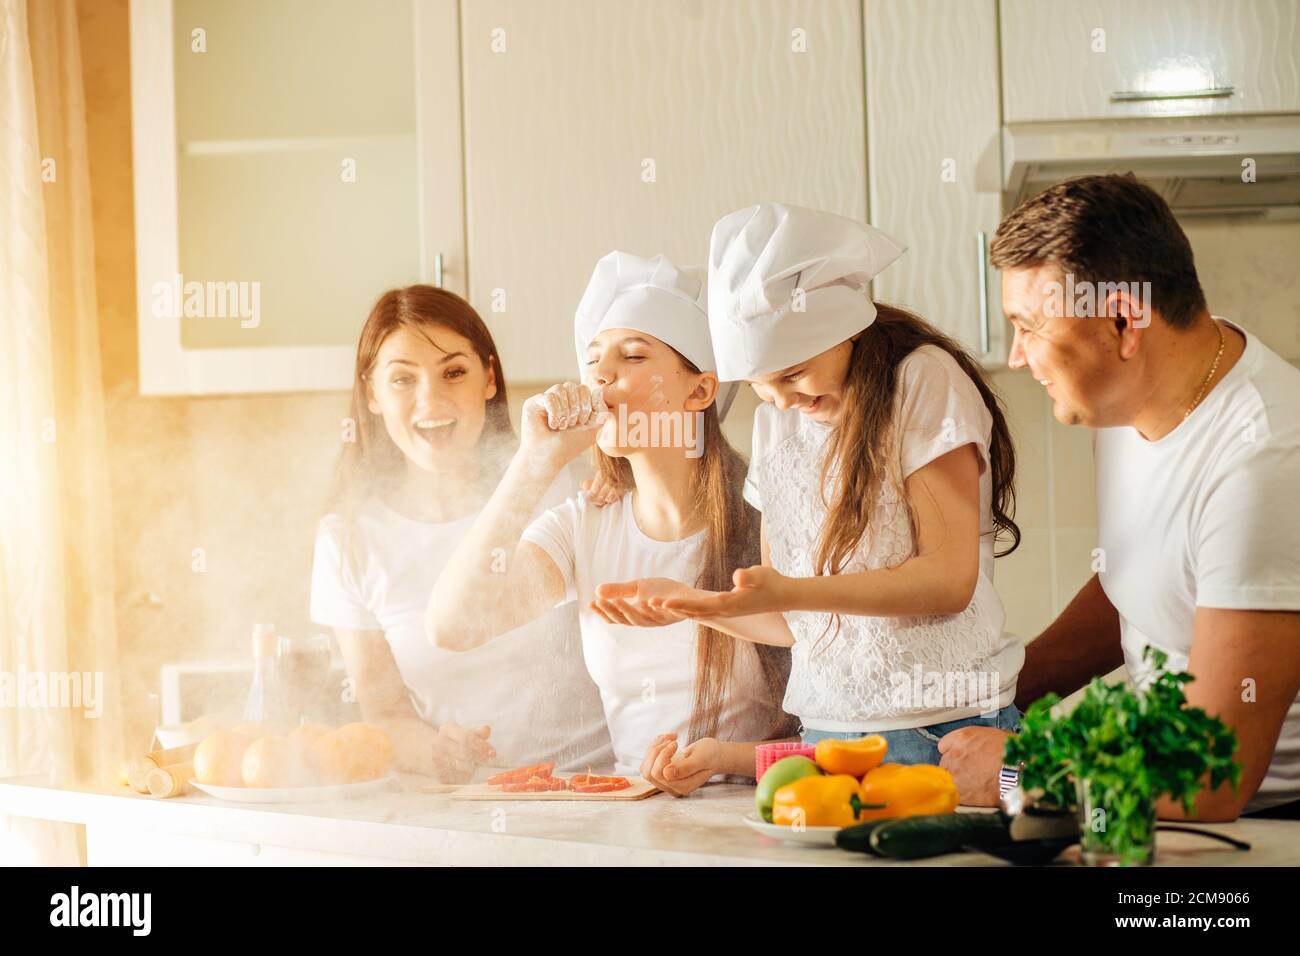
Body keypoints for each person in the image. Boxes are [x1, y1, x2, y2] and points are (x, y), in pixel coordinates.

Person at [600, 203, 1025, 766]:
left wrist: (792, 591)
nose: (781, 399)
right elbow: (791, 624)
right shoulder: (779, 421)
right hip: (825, 744)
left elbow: (948, 581)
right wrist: (697, 606)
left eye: (793, 373)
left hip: (943, 736)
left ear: (843, 329)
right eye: (759, 384)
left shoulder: (923, 379)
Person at [938, 173, 1300, 820]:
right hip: (1142, 800)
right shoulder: (1133, 399)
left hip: (1258, 823)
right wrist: (993, 694)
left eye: (1029, 325)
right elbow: (1144, 577)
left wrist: (1020, 772)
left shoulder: (1264, 458)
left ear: (1126, 320)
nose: (1018, 356)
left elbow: (1214, 778)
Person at [427, 252, 794, 793]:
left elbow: (837, 734)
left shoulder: (770, 518)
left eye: (633, 356)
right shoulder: (584, 527)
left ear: (699, 391)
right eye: (595, 358)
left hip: (769, 813)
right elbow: (454, 626)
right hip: (632, 821)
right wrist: (534, 462)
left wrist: (726, 759)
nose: (600, 374)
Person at [311, 285, 612, 780]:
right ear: (372, 394)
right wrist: (434, 751)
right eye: (402, 380)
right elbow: (384, 713)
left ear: (488, 378)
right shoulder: (348, 540)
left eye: (453, 372)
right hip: (465, 805)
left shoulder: (564, 485)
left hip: (594, 786)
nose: (431, 400)